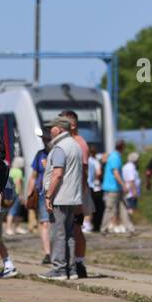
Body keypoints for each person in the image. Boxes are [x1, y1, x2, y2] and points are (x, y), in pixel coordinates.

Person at [42, 117, 86, 279]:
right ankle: (71, 268)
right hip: (73, 196)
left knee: (58, 234)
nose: (49, 130)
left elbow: (57, 174)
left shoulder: (60, 147)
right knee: (69, 234)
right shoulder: (75, 145)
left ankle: (59, 268)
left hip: (60, 197)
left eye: (51, 127)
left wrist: (48, 195)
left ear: (59, 129)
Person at [59, 110, 90, 279]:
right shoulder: (69, 142)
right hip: (71, 191)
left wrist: (81, 195)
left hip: (78, 191)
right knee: (70, 228)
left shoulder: (79, 143)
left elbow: (84, 171)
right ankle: (70, 262)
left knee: (76, 228)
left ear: (73, 125)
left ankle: (78, 263)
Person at [27, 132, 52, 264]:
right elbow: (33, 176)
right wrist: (29, 194)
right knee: (44, 223)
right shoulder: (40, 154)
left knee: (54, 224)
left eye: (47, 139)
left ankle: (56, 252)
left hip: (56, 194)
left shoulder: (58, 153)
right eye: (43, 140)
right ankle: (48, 253)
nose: (44, 142)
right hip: (42, 194)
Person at [102, 140, 133, 234]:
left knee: (123, 207)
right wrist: (124, 185)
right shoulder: (115, 157)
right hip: (113, 187)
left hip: (116, 187)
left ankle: (130, 227)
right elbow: (116, 173)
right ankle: (103, 228)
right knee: (110, 208)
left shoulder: (114, 156)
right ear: (122, 147)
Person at [86, 143, 104, 233]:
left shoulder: (86, 161)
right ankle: (92, 225)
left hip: (86, 185)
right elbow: (99, 173)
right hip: (94, 186)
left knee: (88, 207)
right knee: (95, 207)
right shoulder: (95, 161)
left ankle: (86, 224)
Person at [6, 156, 26, 234]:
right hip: (16, 193)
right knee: (13, 211)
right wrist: (21, 195)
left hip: (10, 192)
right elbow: (18, 183)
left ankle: (17, 227)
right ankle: (9, 228)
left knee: (16, 211)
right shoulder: (19, 171)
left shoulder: (11, 170)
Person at [123, 151, 141, 217]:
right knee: (130, 209)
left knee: (129, 208)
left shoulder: (127, 166)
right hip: (130, 192)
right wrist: (134, 192)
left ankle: (128, 223)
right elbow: (131, 180)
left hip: (129, 191)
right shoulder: (130, 167)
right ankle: (129, 223)